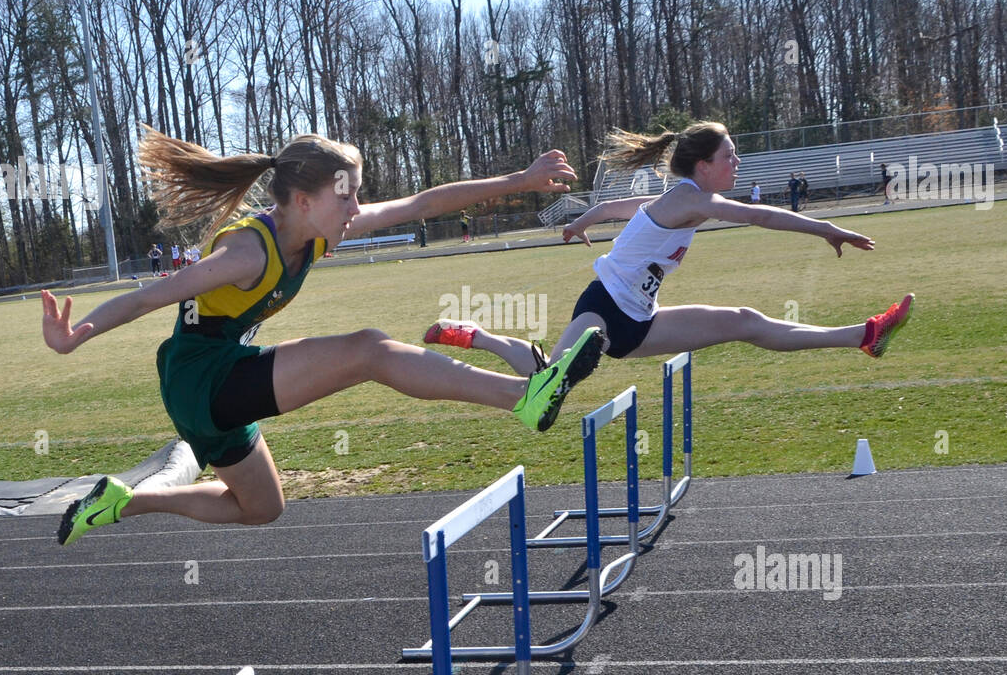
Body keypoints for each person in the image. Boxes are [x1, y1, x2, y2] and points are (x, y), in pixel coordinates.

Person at [42, 126, 603, 546]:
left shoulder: (311, 227)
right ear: (305, 201)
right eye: (348, 197)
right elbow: (147, 296)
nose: (357, 209)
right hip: (201, 379)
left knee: (261, 508)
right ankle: (523, 398)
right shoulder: (245, 252)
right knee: (369, 350)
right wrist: (75, 337)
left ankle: (121, 502)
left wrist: (522, 181)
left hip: (220, 380)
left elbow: (425, 203)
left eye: (358, 195)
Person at [425, 121, 912, 376]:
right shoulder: (690, 198)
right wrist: (827, 227)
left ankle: (862, 336)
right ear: (702, 166)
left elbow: (623, 206)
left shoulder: (681, 199)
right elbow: (760, 216)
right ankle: (475, 337)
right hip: (603, 307)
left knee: (745, 320)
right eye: (729, 156)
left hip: (641, 321)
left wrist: (584, 221)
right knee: (545, 383)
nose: (737, 162)